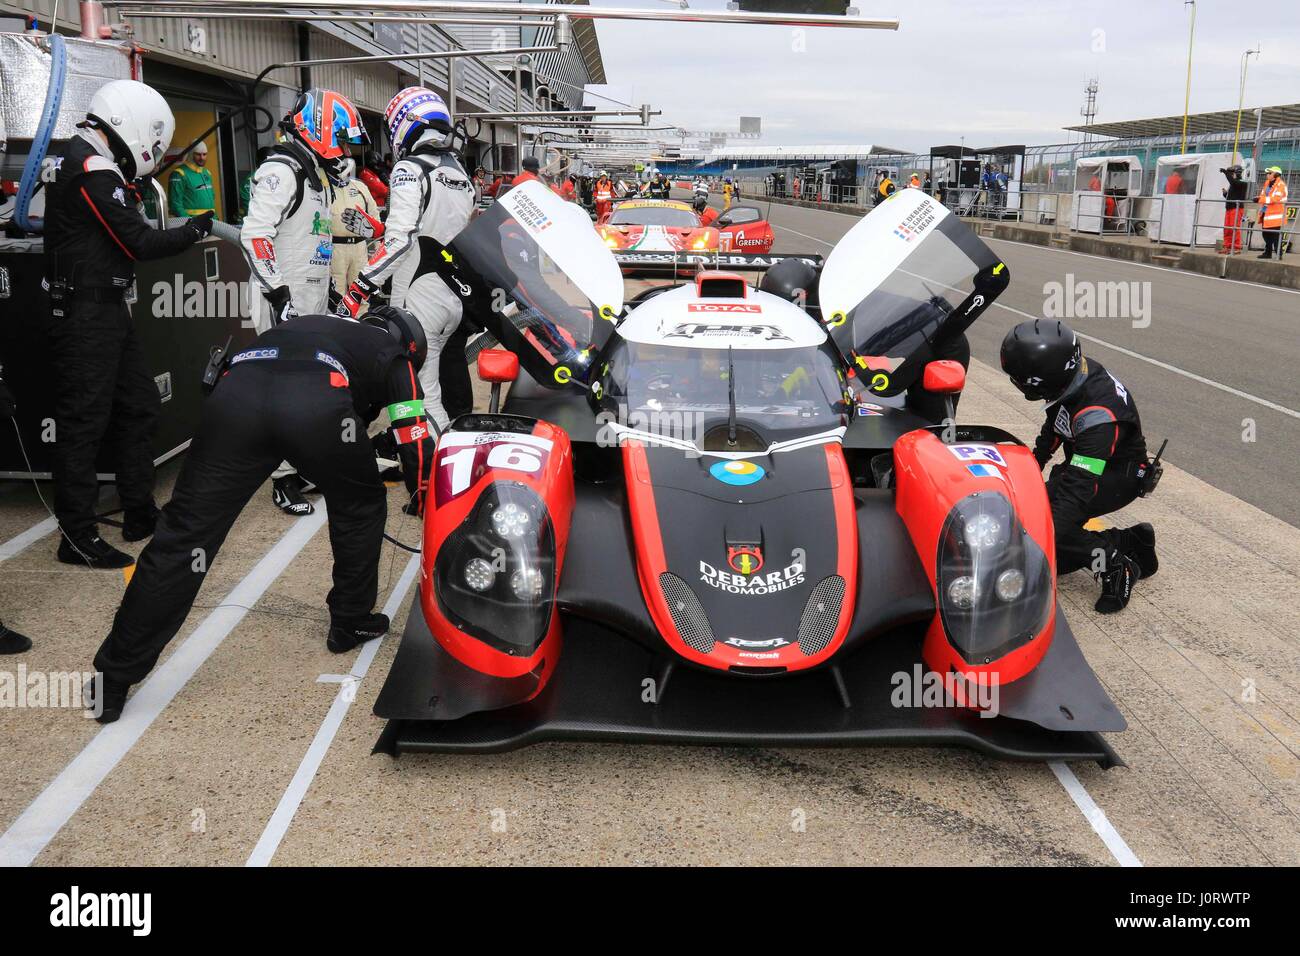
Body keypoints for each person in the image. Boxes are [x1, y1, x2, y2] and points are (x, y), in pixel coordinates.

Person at [86, 308, 435, 724]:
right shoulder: (393, 355)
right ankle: (350, 621)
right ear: (408, 346)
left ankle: (112, 679)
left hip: (235, 403)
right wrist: (424, 493)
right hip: (316, 408)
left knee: (183, 537)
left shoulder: (303, 325)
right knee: (360, 505)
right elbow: (414, 436)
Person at [44, 79, 212, 569]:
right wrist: (196, 228)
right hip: (85, 315)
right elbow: (140, 242)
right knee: (84, 425)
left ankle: (139, 510)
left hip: (103, 309)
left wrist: (128, 189)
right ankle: (75, 536)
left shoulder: (84, 160)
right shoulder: (93, 169)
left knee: (137, 406)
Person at [241, 87, 369, 516]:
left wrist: (328, 291)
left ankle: (304, 467)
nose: (346, 151)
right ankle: (282, 480)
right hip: (283, 303)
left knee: (311, 390)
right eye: (343, 139)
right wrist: (278, 295)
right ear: (321, 130)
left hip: (309, 300)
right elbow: (255, 234)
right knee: (284, 393)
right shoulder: (282, 169)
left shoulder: (314, 173)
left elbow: (311, 236)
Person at [337, 86, 475, 430]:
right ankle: (424, 454)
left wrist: (360, 288)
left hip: (418, 297)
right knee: (439, 388)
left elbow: (402, 240)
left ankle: (435, 469)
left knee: (419, 396)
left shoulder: (408, 169)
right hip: (452, 297)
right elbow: (436, 229)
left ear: (403, 124)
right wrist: (380, 230)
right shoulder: (460, 174)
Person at [1000, 320, 1156, 614]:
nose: (1015, 382)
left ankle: (1117, 564)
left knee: (1048, 530)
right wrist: (1033, 466)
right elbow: (1056, 423)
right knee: (1036, 526)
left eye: (1018, 378)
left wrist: (1050, 531)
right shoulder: (1074, 374)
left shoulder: (1099, 416)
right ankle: (1132, 540)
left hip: (1117, 476)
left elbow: (1081, 485)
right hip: (1088, 465)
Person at [329, 157, 382, 296]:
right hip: (334, 247)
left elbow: (374, 214)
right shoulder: (326, 187)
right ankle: (336, 318)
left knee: (361, 290)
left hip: (360, 247)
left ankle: (361, 317)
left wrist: (378, 248)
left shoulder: (360, 187)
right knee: (336, 292)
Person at [167, 140, 216, 218]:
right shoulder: (179, 174)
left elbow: (212, 200)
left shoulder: (207, 173)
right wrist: (189, 222)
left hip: (211, 221)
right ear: (190, 154)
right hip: (192, 224)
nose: (202, 158)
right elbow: (175, 205)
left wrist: (215, 218)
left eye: (204, 154)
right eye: (198, 154)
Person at [1257, 166, 1288, 260]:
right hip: (1266, 213)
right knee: (1266, 234)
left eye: (1269, 173)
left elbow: (1275, 199)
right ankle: (1268, 252)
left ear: (1275, 174)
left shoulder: (1281, 185)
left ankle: (1279, 254)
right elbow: (1263, 195)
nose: (1267, 174)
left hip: (1276, 215)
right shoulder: (1267, 183)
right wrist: (1258, 198)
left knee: (1276, 236)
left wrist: (1260, 199)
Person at [1221, 165, 1248, 253]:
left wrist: (1226, 173)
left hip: (1236, 208)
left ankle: (1236, 247)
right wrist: (1225, 194)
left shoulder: (1242, 182)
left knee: (1234, 227)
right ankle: (1227, 246)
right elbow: (1232, 194)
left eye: (1232, 173)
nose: (1231, 175)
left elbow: (1233, 182)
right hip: (1229, 208)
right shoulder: (1234, 183)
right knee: (1227, 228)